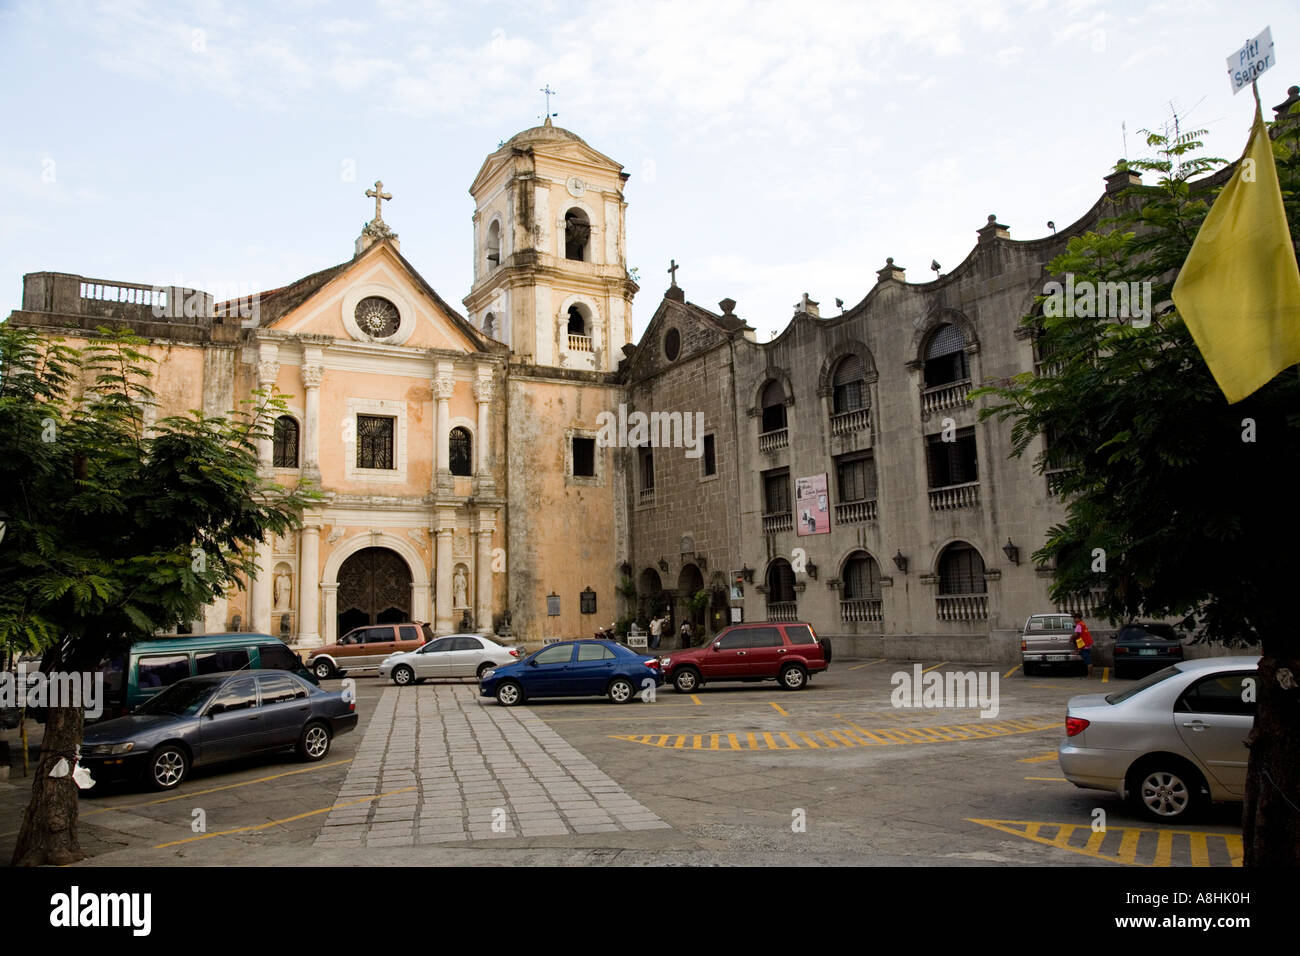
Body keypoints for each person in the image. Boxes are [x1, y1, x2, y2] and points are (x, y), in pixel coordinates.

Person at [1072, 611, 1095, 677]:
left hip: (1085, 645)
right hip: (1086, 644)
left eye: (1075, 618)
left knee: (1088, 661)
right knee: (1087, 660)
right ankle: (1089, 674)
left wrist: (1071, 638)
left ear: (1078, 618)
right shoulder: (1082, 624)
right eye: (1074, 618)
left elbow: (1076, 634)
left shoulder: (1079, 625)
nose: (1074, 620)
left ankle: (1090, 675)